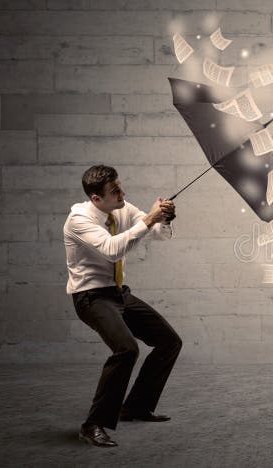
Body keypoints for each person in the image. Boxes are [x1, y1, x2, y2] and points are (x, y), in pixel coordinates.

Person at [63, 165, 182, 447]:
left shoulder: (121, 208)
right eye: (115, 190)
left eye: (120, 186)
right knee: (127, 349)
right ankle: (92, 424)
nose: (123, 193)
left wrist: (163, 218)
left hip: (118, 293)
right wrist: (149, 219)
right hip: (91, 297)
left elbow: (157, 234)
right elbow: (112, 249)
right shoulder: (78, 220)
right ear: (96, 199)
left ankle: (136, 407)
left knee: (169, 341)